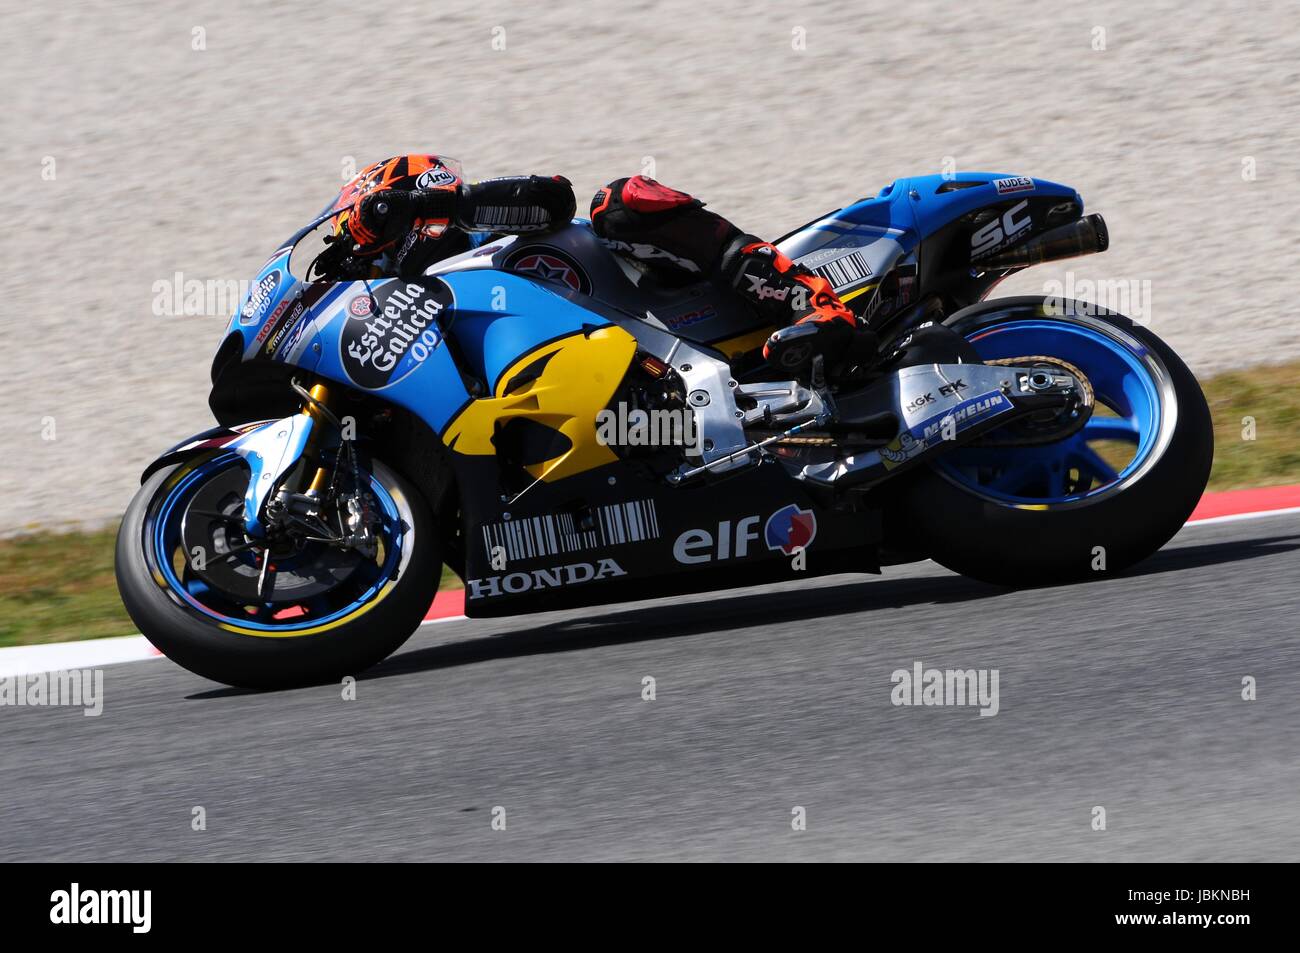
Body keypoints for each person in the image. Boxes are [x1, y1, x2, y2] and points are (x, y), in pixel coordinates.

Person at [336, 154, 861, 373]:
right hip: (632, 376)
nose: (382, 266)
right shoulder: (433, 312)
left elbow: (554, 199)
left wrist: (444, 205)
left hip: (675, 302)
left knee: (619, 201)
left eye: (380, 247)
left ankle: (813, 304)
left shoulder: (486, 226)